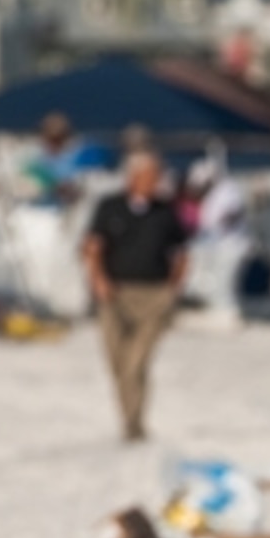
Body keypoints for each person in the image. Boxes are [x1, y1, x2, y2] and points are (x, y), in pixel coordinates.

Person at [84, 147, 193, 442]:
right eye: (150, 175)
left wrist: (174, 288)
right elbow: (94, 247)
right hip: (115, 292)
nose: (155, 181)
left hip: (154, 295)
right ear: (134, 177)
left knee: (137, 361)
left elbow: (181, 252)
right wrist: (98, 280)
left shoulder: (165, 211)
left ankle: (135, 423)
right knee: (117, 362)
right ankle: (128, 417)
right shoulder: (110, 207)